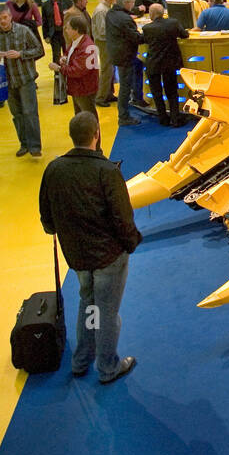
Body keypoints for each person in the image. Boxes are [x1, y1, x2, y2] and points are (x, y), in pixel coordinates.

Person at [39, 111, 141, 384]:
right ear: (96, 134)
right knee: (107, 313)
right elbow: (122, 217)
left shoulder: (54, 169)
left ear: (72, 136)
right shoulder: (107, 171)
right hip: (108, 256)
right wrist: (131, 243)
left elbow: (46, 215)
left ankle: (81, 360)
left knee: (89, 304)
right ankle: (108, 367)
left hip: (78, 256)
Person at [0, 4, 44, 157]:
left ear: (10, 16)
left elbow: (38, 49)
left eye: (5, 17)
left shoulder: (24, 31)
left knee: (30, 112)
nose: (3, 21)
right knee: (17, 114)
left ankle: (35, 146)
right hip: (8, 82)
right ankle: (24, 144)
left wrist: (21, 54)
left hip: (25, 78)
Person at [142, 3, 188, 126]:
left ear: (152, 14)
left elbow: (143, 40)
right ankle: (175, 118)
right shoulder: (173, 23)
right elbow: (185, 35)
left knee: (156, 92)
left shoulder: (147, 28)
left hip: (153, 63)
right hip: (170, 63)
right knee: (172, 91)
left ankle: (163, 118)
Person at [105, 0, 144, 127]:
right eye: (132, 3)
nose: (133, 5)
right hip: (125, 55)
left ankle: (137, 98)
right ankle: (124, 116)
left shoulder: (110, 13)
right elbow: (136, 38)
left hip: (116, 53)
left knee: (134, 73)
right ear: (127, 3)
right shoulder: (125, 19)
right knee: (125, 86)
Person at [51, 14, 99, 117]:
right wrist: (64, 58)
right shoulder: (77, 42)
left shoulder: (86, 47)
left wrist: (59, 68)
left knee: (88, 118)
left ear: (76, 30)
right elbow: (70, 53)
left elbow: (77, 71)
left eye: (68, 28)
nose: (66, 30)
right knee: (80, 116)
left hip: (84, 88)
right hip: (78, 87)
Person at [92, 0, 119, 107]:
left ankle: (108, 93)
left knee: (111, 69)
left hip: (107, 41)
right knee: (106, 70)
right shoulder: (101, 11)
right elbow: (102, 31)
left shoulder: (106, 8)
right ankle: (101, 97)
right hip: (103, 42)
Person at [40, 0, 72, 65]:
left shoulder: (68, 3)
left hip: (66, 33)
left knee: (68, 53)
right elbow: (44, 21)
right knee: (56, 55)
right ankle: (57, 72)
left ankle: (69, 71)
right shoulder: (45, 5)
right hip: (54, 34)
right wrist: (46, 36)